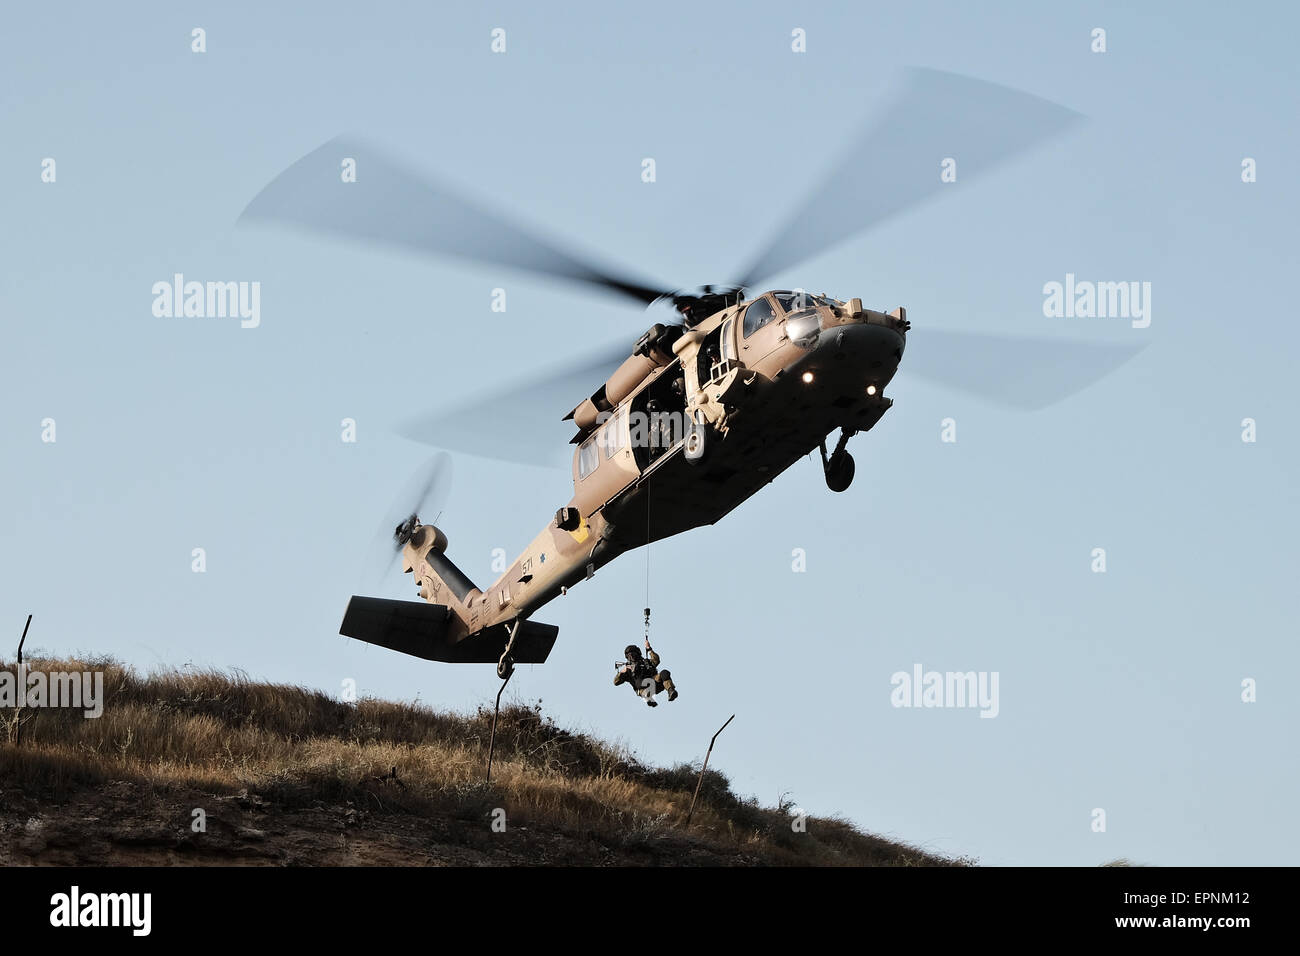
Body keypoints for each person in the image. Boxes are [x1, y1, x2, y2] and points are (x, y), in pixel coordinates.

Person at [614, 639, 678, 707]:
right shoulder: (628, 670)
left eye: (633, 653)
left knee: (664, 673)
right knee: (641, 685)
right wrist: (621, 672)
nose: (632, 656)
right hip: (643, 689)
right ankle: (649, 698)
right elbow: (616, 682)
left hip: (655, 683)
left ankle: (671, 691)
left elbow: (656, 660)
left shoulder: (645, 662)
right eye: (629, 655)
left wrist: (649, 648)